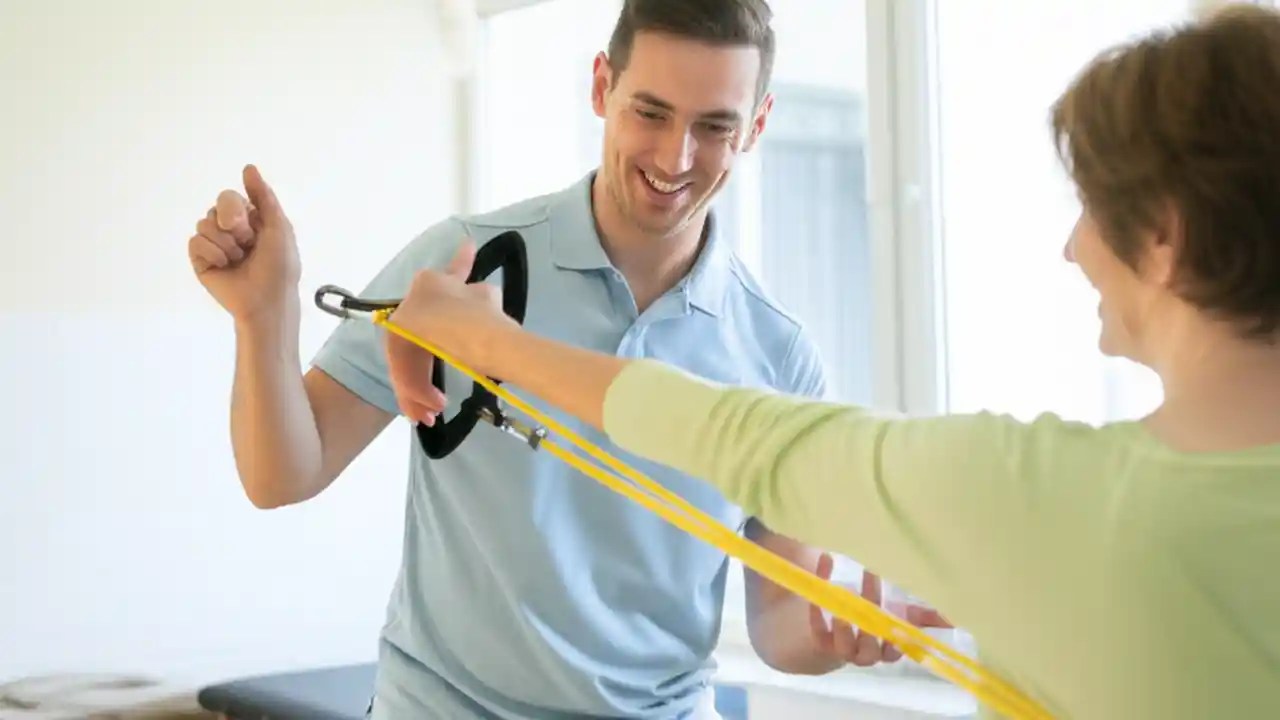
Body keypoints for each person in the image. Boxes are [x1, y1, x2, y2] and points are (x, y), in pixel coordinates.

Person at [377, 4, 1280, 718]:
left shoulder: (1039, 495)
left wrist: (485, 342)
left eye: (1093, 207)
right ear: (604, 88)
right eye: (651, 110)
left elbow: (726, 431)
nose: (1074, 248)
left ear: (1162, 238)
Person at [186, 1, 945, 718]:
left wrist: (831, 638)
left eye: (714, 126)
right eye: (651, 112)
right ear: (601, 87)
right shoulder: (462, 264)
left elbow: (778, 622)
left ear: (757, 125)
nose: (676, 157)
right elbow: (282, 473)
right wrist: (264, 316)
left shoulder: (779, 356)